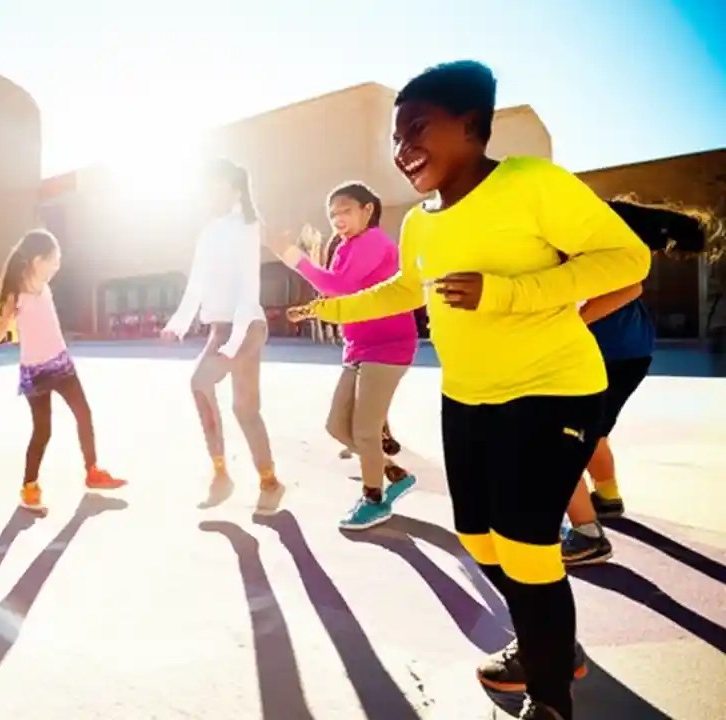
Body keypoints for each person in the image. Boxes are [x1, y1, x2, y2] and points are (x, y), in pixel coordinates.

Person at [290, 61, 650, 720]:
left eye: (418, 131)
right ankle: (550, 643)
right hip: (468, 395)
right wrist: (331, 310)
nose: (403, 152)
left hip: (552, 390)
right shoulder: (421, 224)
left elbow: (628, 259)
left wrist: (511, 293)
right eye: (397, 139)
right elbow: (404, 291)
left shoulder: (532, 184)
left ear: (472, 126)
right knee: (479, 540)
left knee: (526, 541)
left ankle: (550, 699)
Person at [561, 197, 724, 566]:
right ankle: (607, 498)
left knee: (574, 434)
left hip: (615, 352)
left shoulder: (607, 246)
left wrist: (573, 323)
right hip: (623, 350)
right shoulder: (597, 242)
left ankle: (587, 529)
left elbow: (629, 289)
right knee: (593, 429)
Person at [267, 182, 418, 530]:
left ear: (368, 210)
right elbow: (341, 295)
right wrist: (310, 310)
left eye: (346, 210)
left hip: (388, 345)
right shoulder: (344, 247)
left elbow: (339, 286)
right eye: (332, 213)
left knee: (365, 430)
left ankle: (374, 499)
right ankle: (395, 473)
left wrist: (293, 257)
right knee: (337, 425)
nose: (337, 219)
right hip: (358, 346)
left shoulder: (374, 241)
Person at [0, 229, 126, 515]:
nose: (57, 265)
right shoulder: (16, 297)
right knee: (42, 430)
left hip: (61, 364)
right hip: (36, 372)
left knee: (83, 414)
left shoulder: (45, 288)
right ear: (37, 260)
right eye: (54, 260)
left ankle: (93, 470)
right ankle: (29, 487)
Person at [162, 159, 283, 514]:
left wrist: (234, 341)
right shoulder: (210, 231)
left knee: (201, 383)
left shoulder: (246, 226)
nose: (205, 194)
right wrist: (178, 324)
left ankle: (223, 476)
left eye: (211, 186)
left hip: (245, 327)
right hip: (221, 328)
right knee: (245, 409)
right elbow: (195, 285)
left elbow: (249, 286)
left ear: (231, 187)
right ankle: (269, 482)